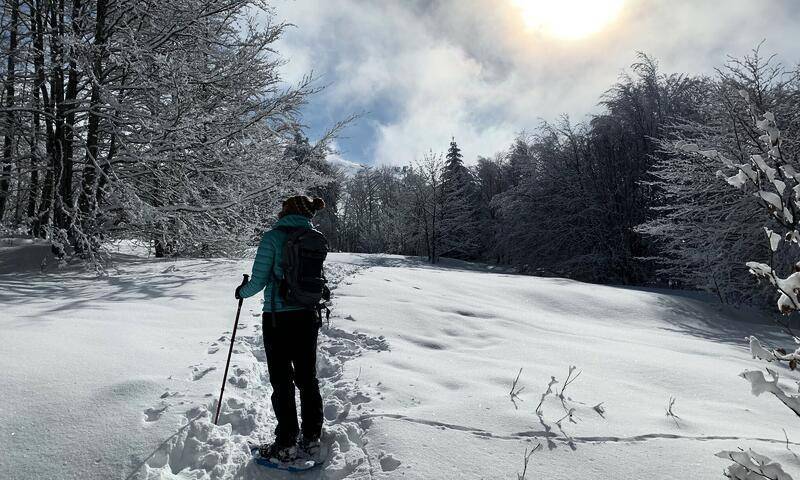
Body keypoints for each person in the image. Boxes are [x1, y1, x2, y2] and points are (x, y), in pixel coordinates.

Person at [235, 195, 326, 462]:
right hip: (308, 315)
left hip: (278, 318)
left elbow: (259, 281)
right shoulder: (315, 237)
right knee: (307, 378)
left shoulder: (273, 238)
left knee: (282, 380)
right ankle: (312, 437)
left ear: (285, 212)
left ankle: (286, 442)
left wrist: (241, 291)